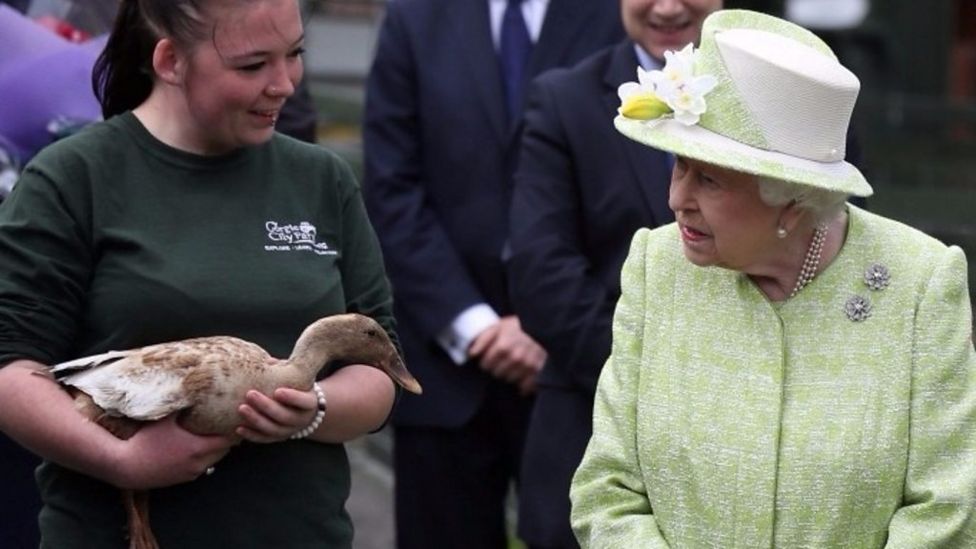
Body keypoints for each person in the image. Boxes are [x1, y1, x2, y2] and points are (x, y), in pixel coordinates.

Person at [570, 9, 976, 547]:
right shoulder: (656, 262)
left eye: (709, 180)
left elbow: (947, 510)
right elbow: (607, 490)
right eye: (678, 166)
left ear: (792, 202)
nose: (676, 200)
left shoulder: (923, 283)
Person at [0, 0, 399, 547]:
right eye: (253, 65)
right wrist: (122, 460)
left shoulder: (321, 179)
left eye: (295, 54)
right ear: (169, 60)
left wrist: (311, 409)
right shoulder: (72, 177)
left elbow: (380, 368)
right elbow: (11, 370)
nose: (284, 83)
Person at [362, 1, 623, 547]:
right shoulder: (416, 17)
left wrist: (548, 326)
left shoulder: (617, 13)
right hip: (444, 374)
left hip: (580, 370)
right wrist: (474, 324)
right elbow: (391, 185)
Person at [505, 2, 721, 547]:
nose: (668, 6)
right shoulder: (565, 100)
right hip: (591, 428)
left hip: (747, 454)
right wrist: (663, 382)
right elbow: (542, 273)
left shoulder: (783, 99)